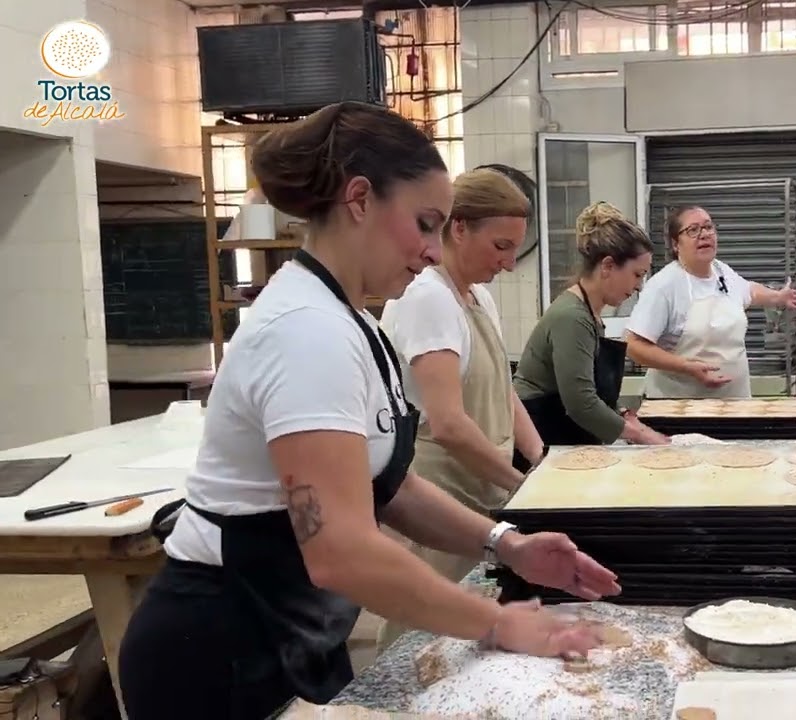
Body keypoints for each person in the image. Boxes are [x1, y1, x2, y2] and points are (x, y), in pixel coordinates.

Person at [117, 102, 620, 720]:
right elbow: (341, 550)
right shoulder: (306, 330)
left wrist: (505, 543)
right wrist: (496, 623)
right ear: (359, 199)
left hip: (293, 633)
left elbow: (387, 483)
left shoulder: (352, 321)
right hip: (218, 652)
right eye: (426, 223)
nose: (435, 251)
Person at [376, 169, 547, 651]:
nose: (510, 262)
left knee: (463, 622)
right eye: (500, 246)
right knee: (424, 622)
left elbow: (502, 391)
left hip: (481, 484)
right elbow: (448, 423)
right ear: (458, 228)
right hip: (439, 492)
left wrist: (541, 461)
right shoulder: (428, 298)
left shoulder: (477, 296)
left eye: (515, 247)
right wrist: (523, 486)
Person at [515, 202, 667, 446]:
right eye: (637, 275)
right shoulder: (572, 317)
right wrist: (641, 435)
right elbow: (581, 404)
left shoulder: (590, 314)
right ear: (607, 266)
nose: (639, 286)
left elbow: (592, 389)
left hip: (565, 434)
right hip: (542, 434)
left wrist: (624, 415)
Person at [624, 205, 796, 398]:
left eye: (708, 227)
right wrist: (686, 367)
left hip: (734, 403)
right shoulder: (664, 286)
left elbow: (749, 290)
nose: (704, 234)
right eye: (693, 230)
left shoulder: (722, 272)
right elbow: (633, 346)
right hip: (679, 408)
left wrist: (777, 297)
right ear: (676, 244)